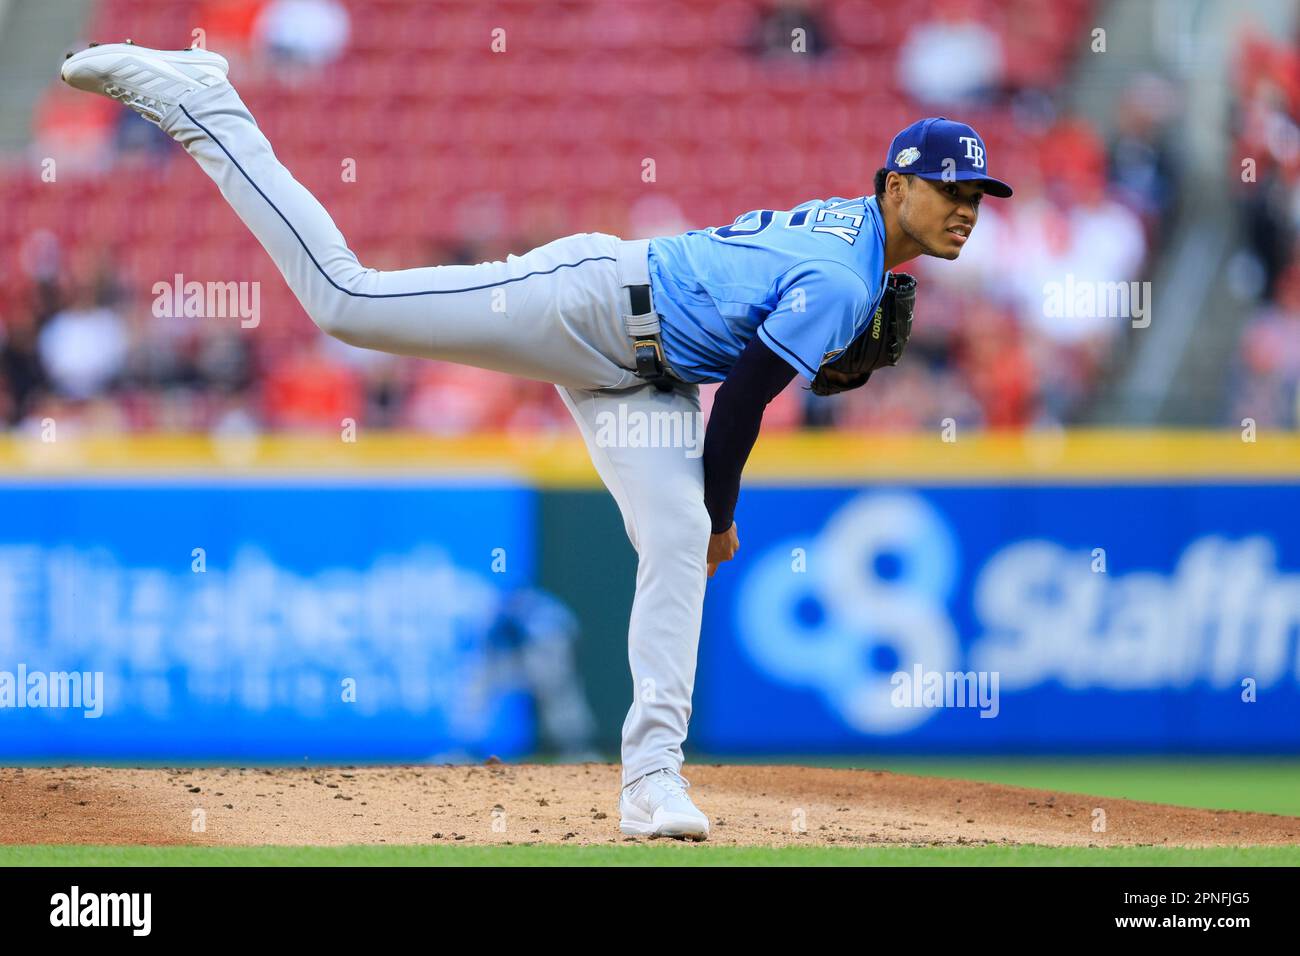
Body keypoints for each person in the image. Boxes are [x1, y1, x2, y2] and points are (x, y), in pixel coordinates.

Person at [60, 41, 1012, 841]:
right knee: (346, 300)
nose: (967, 204)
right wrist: (728, 514)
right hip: (587, 303)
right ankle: (206, 103)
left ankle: (651, 781)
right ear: (895, 186)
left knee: (672, 538)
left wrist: (707, 514)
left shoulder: (855, 252)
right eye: (948, 186)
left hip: (650, 372)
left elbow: (746, 355)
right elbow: (745, 405)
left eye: (977, 191)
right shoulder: (847, 279)